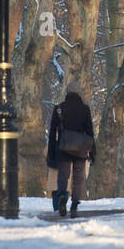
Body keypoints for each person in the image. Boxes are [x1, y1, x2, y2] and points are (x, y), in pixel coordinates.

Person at [47, 82, 96, 215]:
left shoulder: (59, 109)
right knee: (78, 177)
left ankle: (62, 196)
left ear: (67, 93)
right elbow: (90, 132)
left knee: (63, 175)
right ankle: (74, 203)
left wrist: (51, 151)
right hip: (81, 148)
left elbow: (52, 133)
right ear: (78, 93)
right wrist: (93, 152)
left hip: (64, 147)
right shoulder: (85, 109)